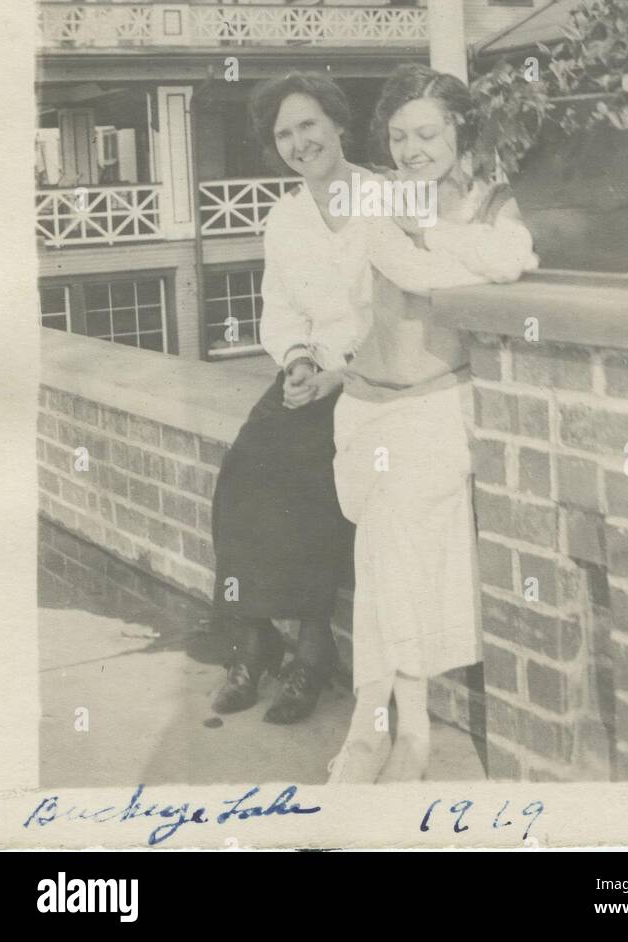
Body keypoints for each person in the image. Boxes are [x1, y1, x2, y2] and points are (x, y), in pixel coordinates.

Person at [329, 64, 538, 782]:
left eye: (426, 132)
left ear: (458, 129)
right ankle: (404, 725)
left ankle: (379, 726)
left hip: (437, 407)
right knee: (397, 554)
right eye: (397, 136)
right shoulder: (377, 200)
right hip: (363, 412)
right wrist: (444, 242)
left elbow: (516, 256)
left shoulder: (492, 197)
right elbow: (423, 278)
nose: (411, 149)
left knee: (388, 541)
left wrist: (434, 235)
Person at [210, 72, 375, 724]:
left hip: (373, 376)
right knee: (242, 472)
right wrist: (299, 361)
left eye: (309, 124)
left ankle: (313, 648)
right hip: (313, 377)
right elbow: (279, 312)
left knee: (312, 480)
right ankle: (254, 637)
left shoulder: (387, 198)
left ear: (338, 121)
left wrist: (343, 371)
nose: (300, 141)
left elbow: (405, 309)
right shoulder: (284, 218)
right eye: (285, 133)